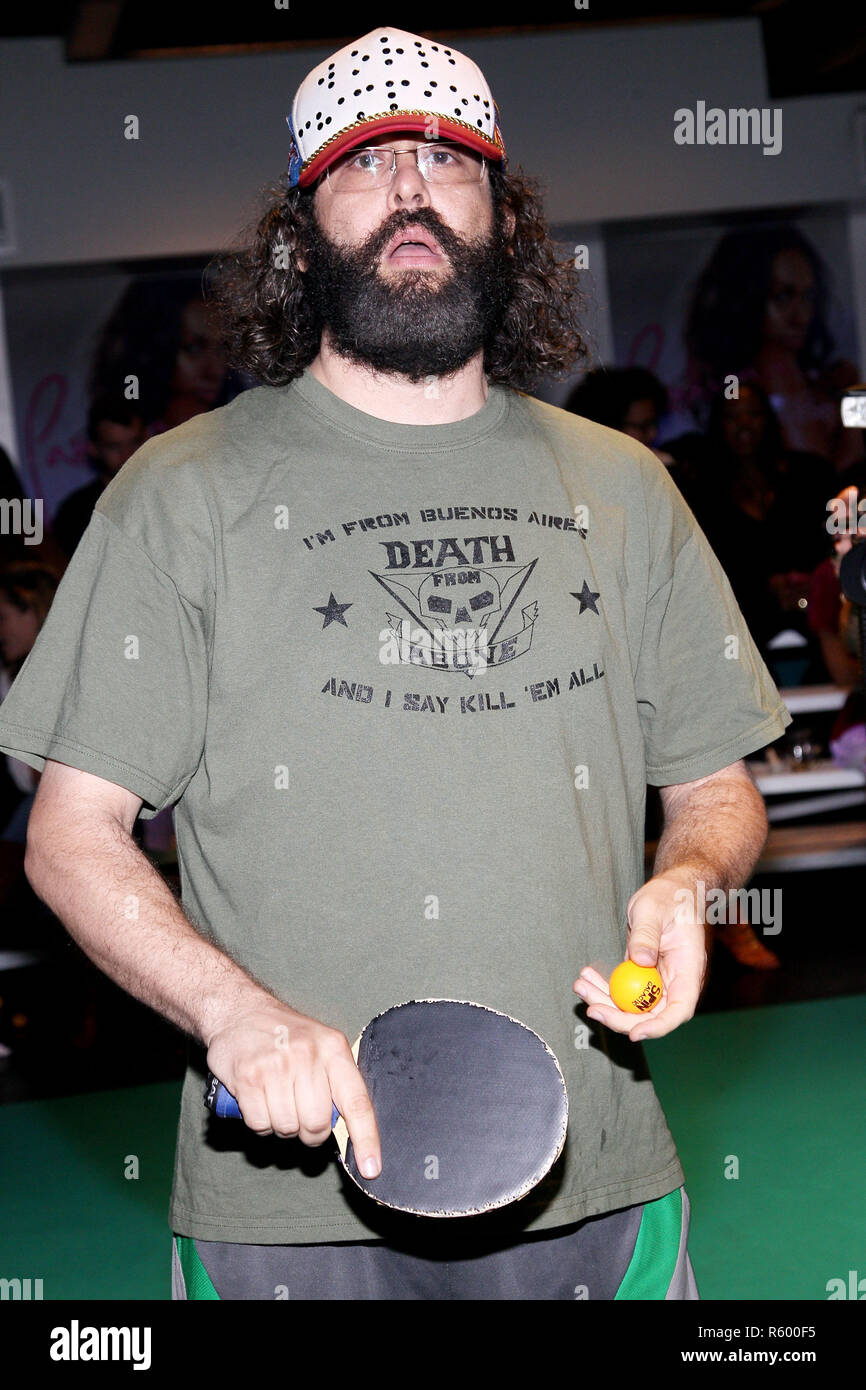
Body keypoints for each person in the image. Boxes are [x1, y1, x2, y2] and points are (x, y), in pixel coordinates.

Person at [0, 26, 791, 1301]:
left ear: (504, 217)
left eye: (444, 160)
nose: (411, 189)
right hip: (286, 1206)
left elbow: (713, 789)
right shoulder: (181, 494)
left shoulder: (625, 486)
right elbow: (70, 833)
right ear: (302, 229)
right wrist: (233, 1015)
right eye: (367, 166)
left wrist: (689, 884)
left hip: (594, 1173)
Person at [51, 396, 145, 559]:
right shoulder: (75, 512)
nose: (128, 455)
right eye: (114, 446)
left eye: (134, 442)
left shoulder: (171, 496)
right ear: (93, 448)